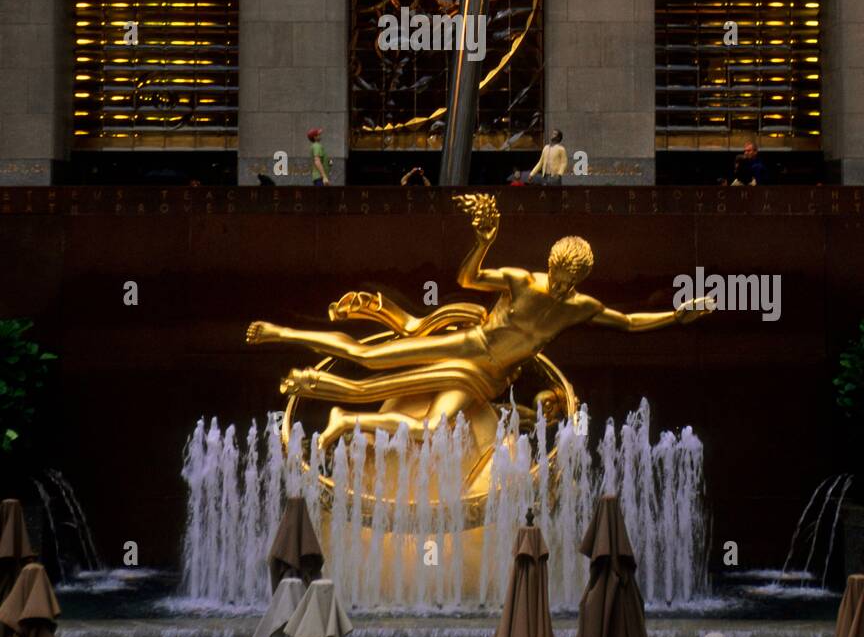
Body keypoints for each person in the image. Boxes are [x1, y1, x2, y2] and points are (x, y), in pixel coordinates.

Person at [247, 194, 714, 453]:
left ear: (582, 278)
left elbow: (629, 322)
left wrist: (677, 314)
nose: (560, 282)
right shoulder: (521, 281)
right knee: (368, 356)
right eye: (558, 272)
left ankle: (344, 421)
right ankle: (281, 333)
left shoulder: (581, 307)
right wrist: (484, 241)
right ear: (550, 265)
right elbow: (467, 278)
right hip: (467, 346)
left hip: (485, 379)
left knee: (426, 429)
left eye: (571, 277)